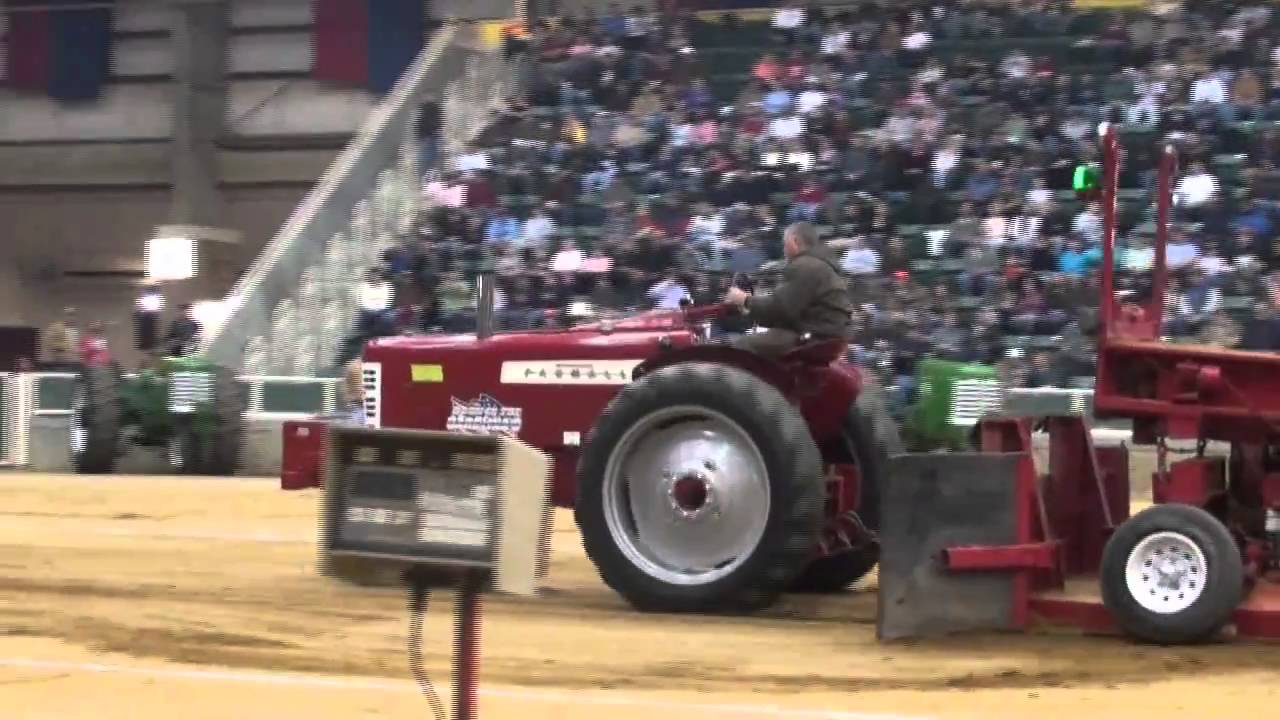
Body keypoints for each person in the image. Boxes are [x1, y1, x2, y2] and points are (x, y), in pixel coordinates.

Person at [722, 222, 852, 358]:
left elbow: (781, 310)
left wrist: (744, 299)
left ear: (795, 241)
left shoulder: (805, 265)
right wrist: (749, 307)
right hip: (825, 334)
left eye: (785, 244)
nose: (784, 250)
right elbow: (784, 312)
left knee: (741, 346)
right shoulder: (820, 265)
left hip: (814, 336)